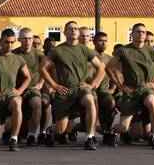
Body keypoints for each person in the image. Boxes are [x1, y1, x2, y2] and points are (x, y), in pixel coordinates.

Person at [36, 21, 107, 150]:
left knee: (90, 100)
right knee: (61, 129)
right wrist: (54, 85)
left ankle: (89, 138)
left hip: (80, 88)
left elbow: (101, 67)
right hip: (64, 91)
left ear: (78, 32)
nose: (73, 31)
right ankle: (50, 131)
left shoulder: (85, 50)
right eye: (70, 29)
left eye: (76, 29)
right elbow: (41, 69)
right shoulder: (58, 50)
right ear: (65, 33)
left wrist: (91, 85)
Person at [111, 23, 154, 148]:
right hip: (131, 92)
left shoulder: (151, 51)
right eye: (138, 32)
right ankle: (112, 131)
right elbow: (108, 68)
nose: (141, 34)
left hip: (145, 89)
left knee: (152, 102)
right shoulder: (124, 51)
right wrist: (120, 86)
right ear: (132, 34)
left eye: (143, 32)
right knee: (123, 127)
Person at [12, 28, 46, 145]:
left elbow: (46, 70)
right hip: (17, 90)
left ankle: (31, 135)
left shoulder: (40, 54)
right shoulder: (14, 54)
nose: (28, 41)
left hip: (32, 89)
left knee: (38, 104)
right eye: (25, 39)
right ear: (19, 40)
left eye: (30, 38)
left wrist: (41, 83)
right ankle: (11, 133)